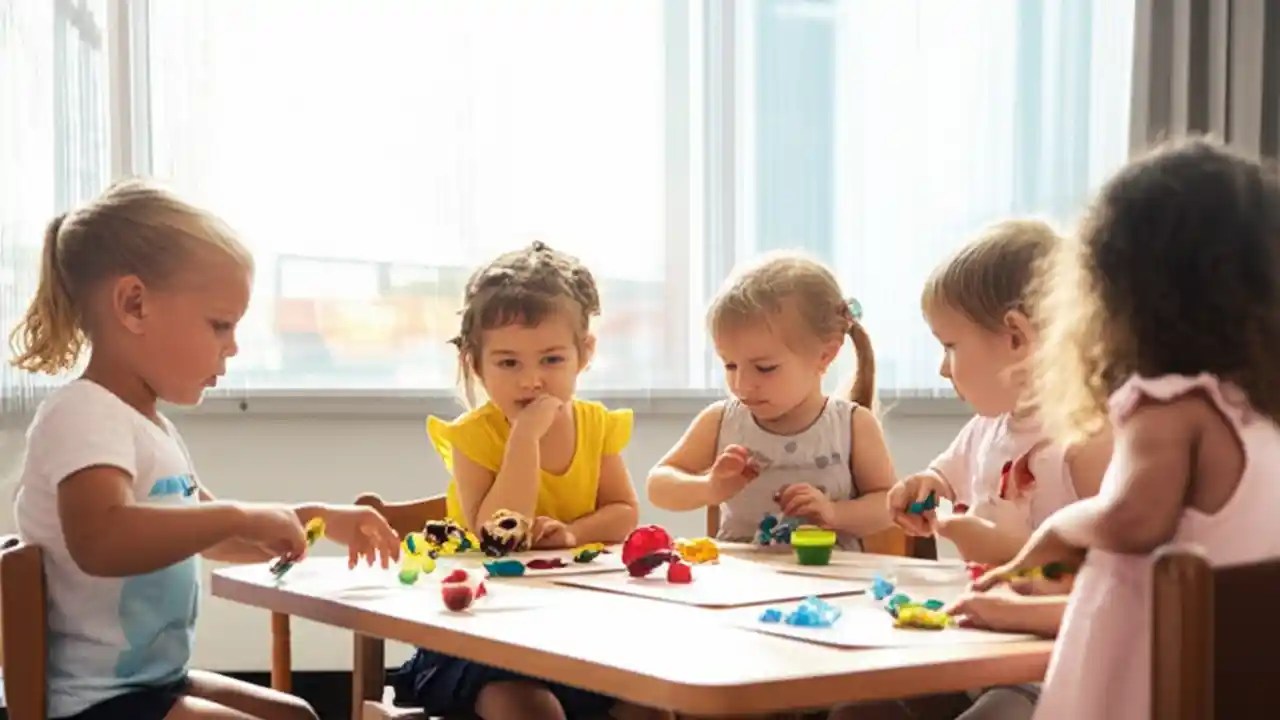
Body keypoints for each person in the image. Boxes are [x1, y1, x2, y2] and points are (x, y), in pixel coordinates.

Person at [11, 179, 400, 720]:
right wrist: (237, 516)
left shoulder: (149, 428)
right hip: (94, 704)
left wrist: (312, 520)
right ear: (134, 304)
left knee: (299, 716)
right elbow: (101, 540)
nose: (233, 345)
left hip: (150, 685)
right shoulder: (82, 414)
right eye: (220, 324)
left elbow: (217, 535)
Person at [977, 138, 1280, 719]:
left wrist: (1061, 527)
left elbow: (1136, 518)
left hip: (1142, 693)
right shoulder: (1259, 414)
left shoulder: (1170, 404)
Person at [391, 241, 640, 720]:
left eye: (551, 360)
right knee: (530, 708)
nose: (532, 381)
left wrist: (572, 533)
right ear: (475, 363)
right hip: (481, 638)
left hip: (577, 632)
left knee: (649, 704)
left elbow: (624, 513)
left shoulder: (597, 425)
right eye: (509, 363)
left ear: (584, 354)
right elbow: (494, 536)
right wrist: (523, 439)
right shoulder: (475, 437)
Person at [647, 252, 896, 549]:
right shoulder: (722, 421)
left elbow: (887, 505)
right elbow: (658, 484)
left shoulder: (852, 424)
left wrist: (834, 512)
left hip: (829, 581)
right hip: (740, 581)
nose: (741, 384)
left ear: (825, 355)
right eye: (730, 365)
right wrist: (709, 487)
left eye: (765, 368)